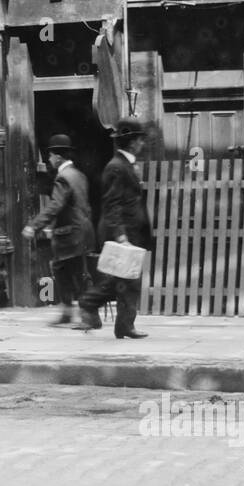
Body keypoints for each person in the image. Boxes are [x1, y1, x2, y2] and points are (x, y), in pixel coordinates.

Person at [76, 119, 153, 338]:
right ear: (132, 142)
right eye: (139, 140)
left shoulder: (125, 164)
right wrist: (121, 236)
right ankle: (90, 303)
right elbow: (112, 204)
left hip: (131, 231)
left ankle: (124, 325)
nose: (142, 144)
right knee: (125, 280)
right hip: (123, 232)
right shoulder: (116, 167)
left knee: (126, 280)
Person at [22, 134, 95, 326]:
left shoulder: (63, 178)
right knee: (63, 271)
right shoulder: (79, 175)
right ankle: (68, 312)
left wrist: (34, 225)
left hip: (69, 235)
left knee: (75, 275)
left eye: (51, 156)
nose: (49, 159)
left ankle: (88, 316)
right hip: (81, 232)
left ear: (59, 157)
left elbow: (56, 205)